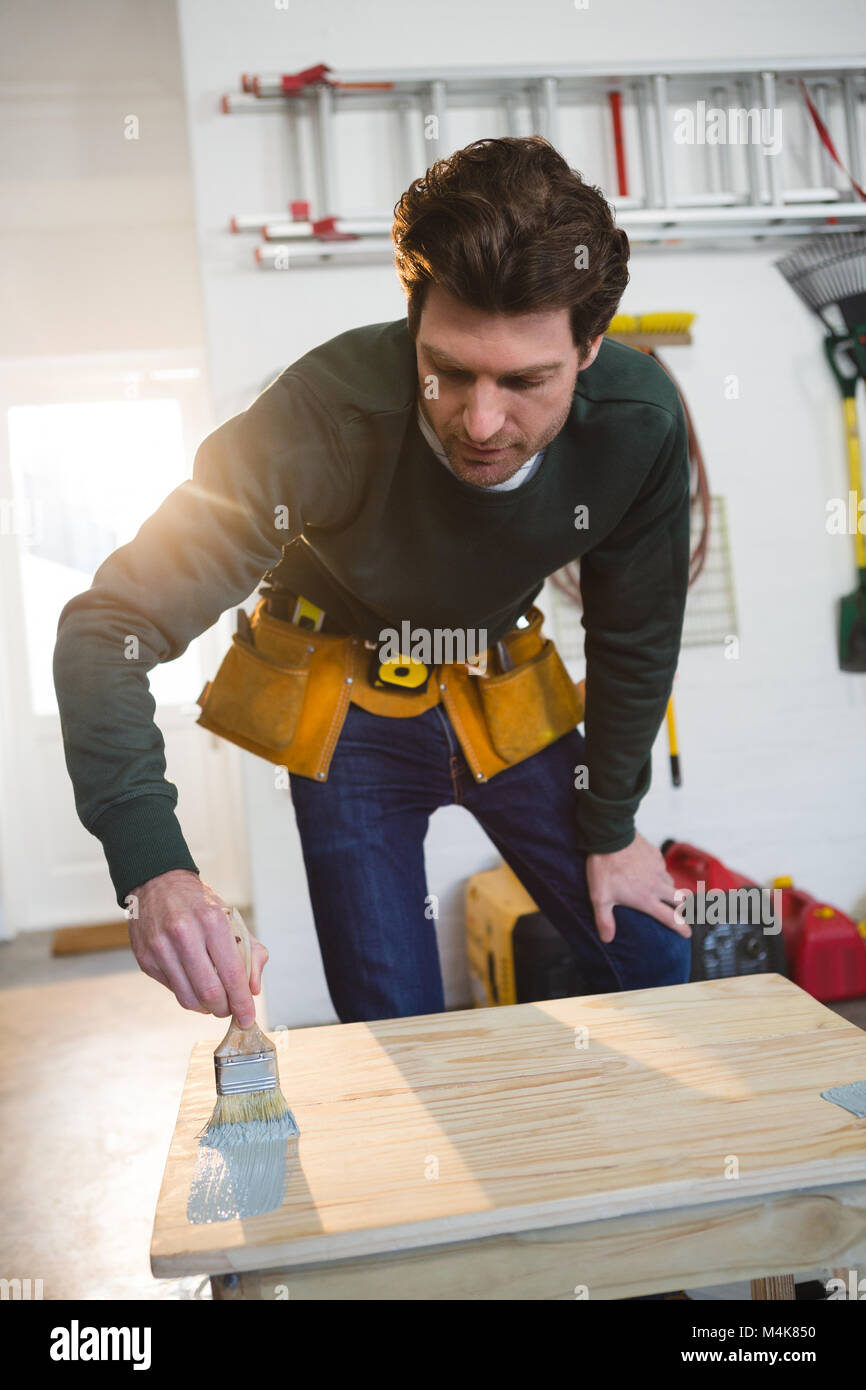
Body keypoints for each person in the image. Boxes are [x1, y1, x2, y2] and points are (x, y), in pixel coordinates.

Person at [53, 135, 692, 1028]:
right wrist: (153, 867)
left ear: (590, 348)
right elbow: (105, 630)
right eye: (449, 371)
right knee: (396, 1021)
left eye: (524, 381)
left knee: (653, 954)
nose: (481, 421)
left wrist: (613, 826)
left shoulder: (638, 423)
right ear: (412, 319)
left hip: (499, 682)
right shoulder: (319, 416)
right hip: (346, 706)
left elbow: (635, 637)